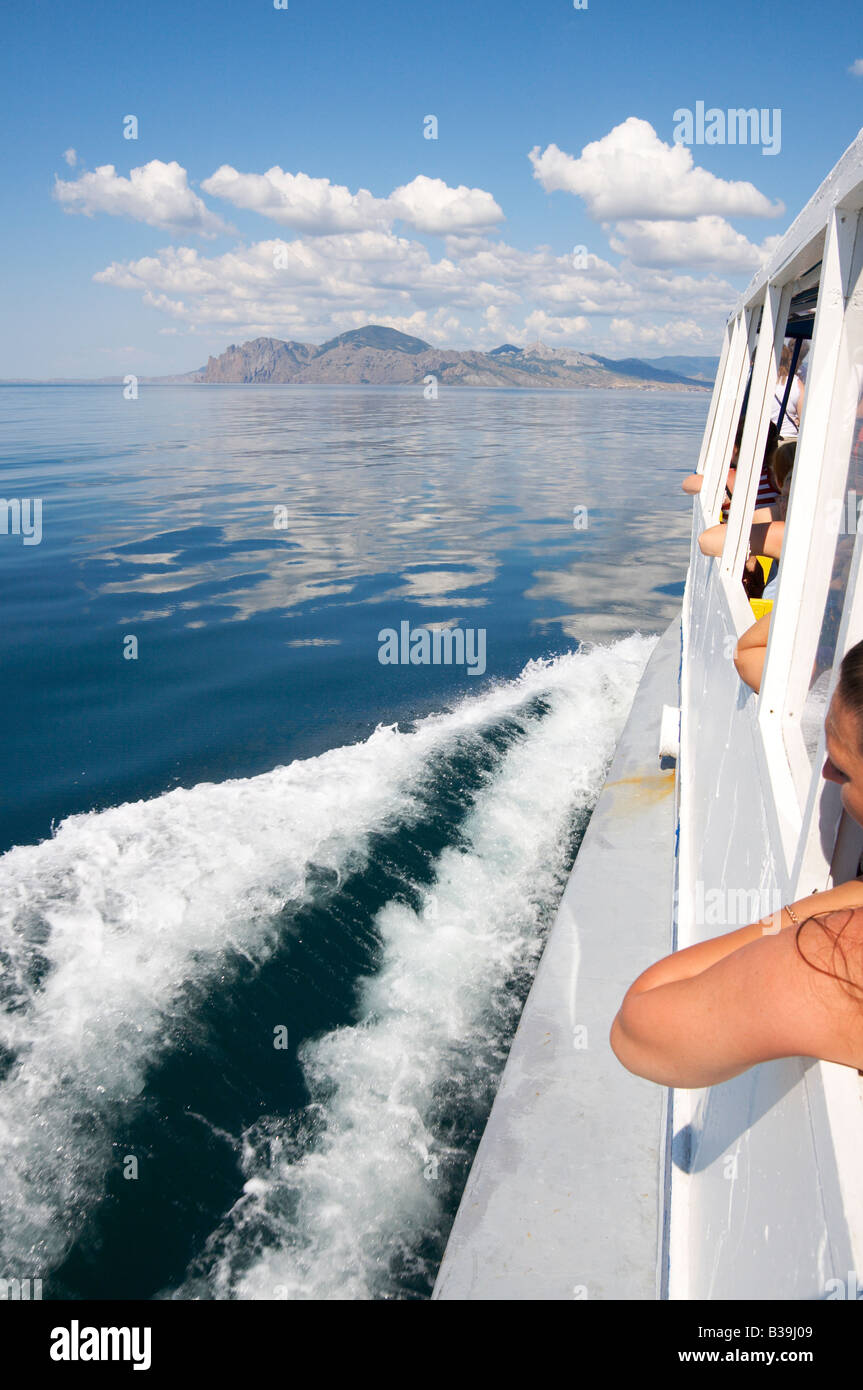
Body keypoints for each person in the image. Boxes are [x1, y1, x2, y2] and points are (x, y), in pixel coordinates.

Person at [609, 640, 863, 1089]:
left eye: (842, 768)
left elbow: (637, 1026)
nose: (825, 774)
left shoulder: (837, 960)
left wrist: (804, 915)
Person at [771, 342, 804, 438]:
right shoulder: (797, 384)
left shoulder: (763, 382)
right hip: (789, 439)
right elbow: (803, 417)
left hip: (767, 438)